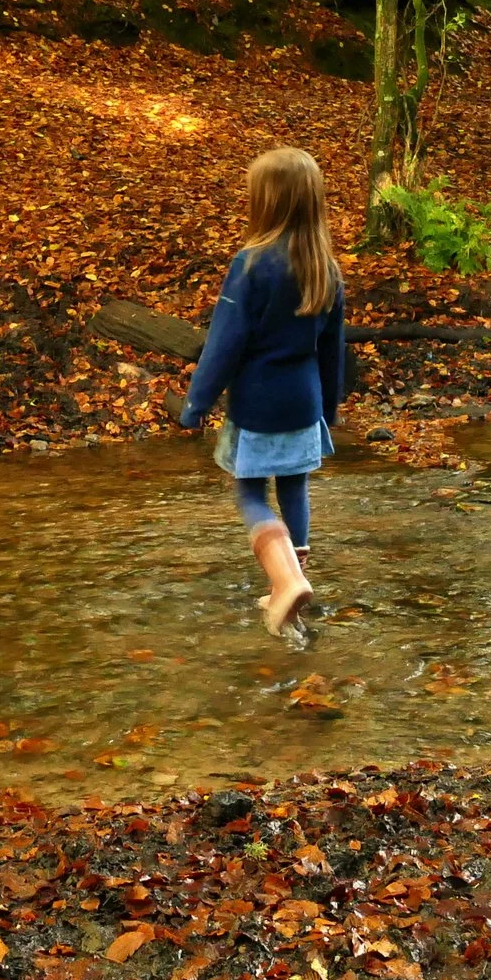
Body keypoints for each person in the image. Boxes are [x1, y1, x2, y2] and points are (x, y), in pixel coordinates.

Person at [179, 147, 346, 635]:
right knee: (294, 485)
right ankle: (289, 584)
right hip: (304, 400)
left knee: (250, 491)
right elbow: (334, 351)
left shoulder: (251, 265)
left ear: (266, 203)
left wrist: (197, 403)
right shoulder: (327, 270)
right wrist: (330, 408)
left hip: (256, 403)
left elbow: (224, 343)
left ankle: (285, 581)